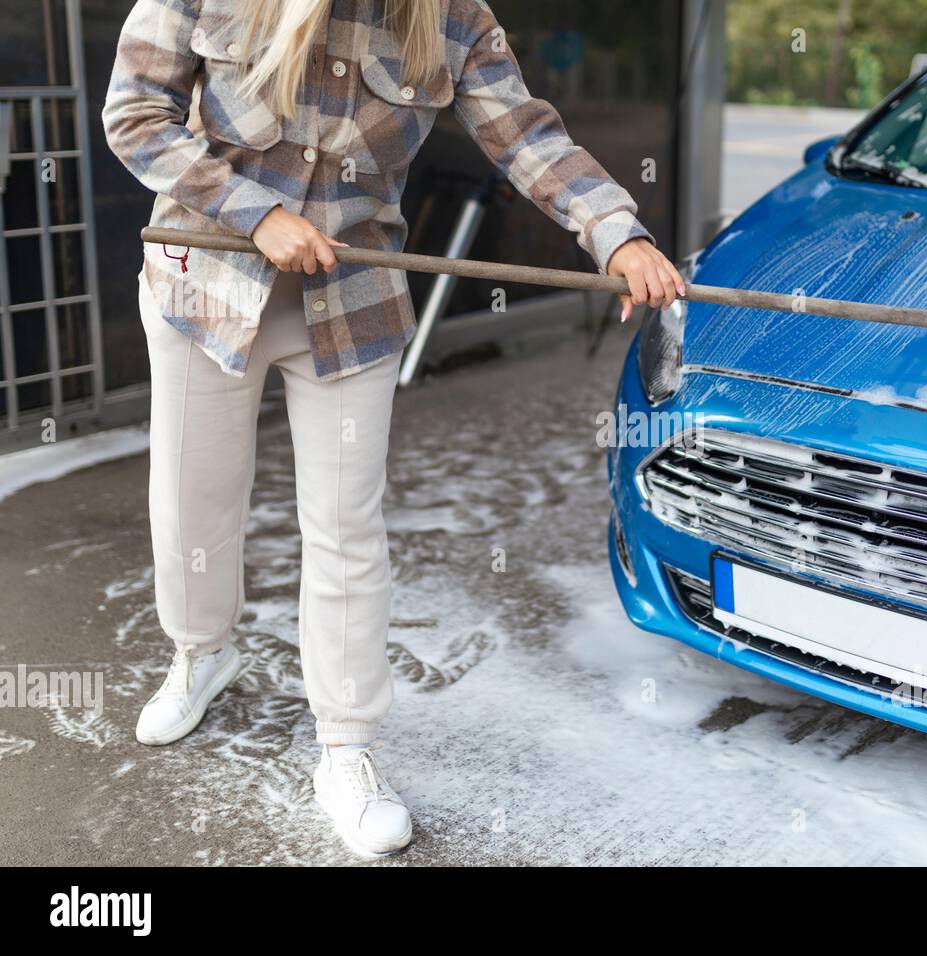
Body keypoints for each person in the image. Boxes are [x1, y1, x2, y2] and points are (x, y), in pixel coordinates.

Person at [102, 0, 683, 856]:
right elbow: (135, 116)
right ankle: (201, 653)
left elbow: (527, 136)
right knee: (196, 502)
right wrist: (255, 212)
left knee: (345, 526)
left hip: (354, 302)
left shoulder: (453, 19)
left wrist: (615, 234)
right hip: (206, 287)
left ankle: (346, 747)